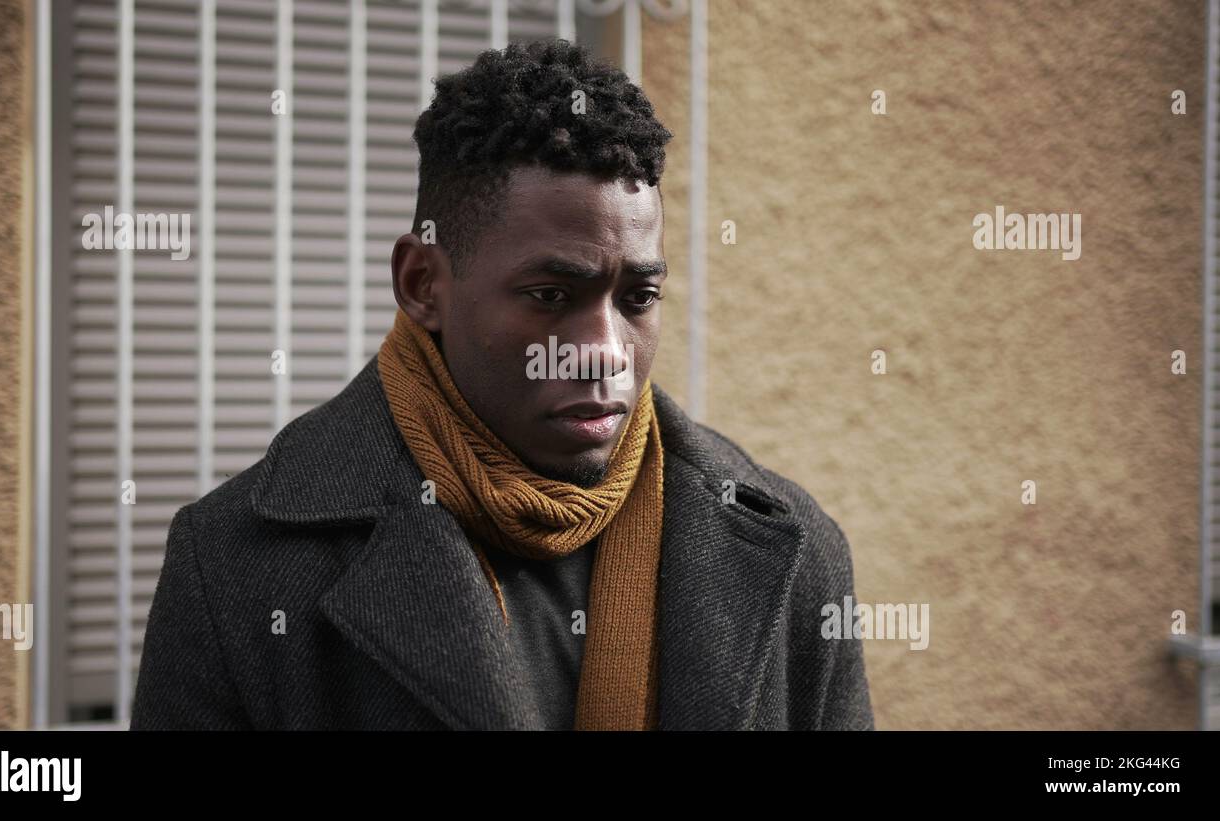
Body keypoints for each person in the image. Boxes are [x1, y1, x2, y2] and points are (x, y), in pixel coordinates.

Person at [131, 39, 873, 731]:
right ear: (423, 282)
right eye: (551, 295)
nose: (603, 352)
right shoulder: (235, 569)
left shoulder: (798, 553)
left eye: (636, 299)